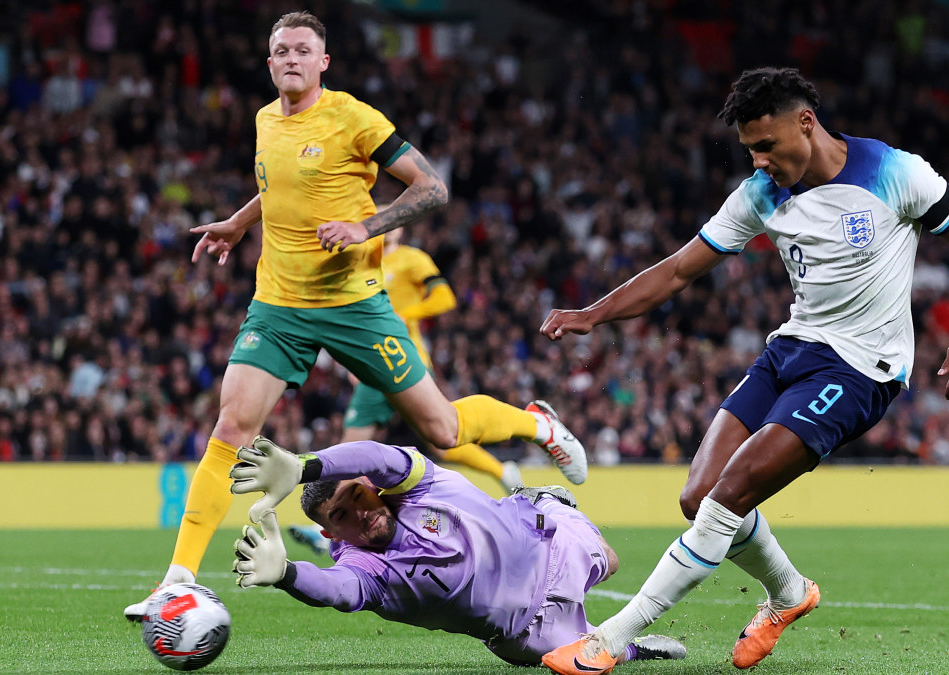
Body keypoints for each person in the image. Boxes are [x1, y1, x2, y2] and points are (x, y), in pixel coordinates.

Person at [124, 10, 586, 620]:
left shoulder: (353, 117)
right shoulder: (266, 120)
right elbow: (281, 187)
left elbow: (431, 187)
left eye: (302, 50)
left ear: (323, 62)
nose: (291, 58)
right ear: (269, 64)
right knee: (231, 430)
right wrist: (239, 223)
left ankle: (535, 426)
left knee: (442, 431)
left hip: (354, 306)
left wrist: (364, 224)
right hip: (280, 305)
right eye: (281, 50)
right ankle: (177, 581)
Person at [539, 66, 949, 673]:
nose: (758, 161)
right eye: (749, 149)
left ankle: (609, 639)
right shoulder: (759, 193)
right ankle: (789, 593)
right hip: (790, 349)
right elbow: (679, 270)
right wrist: (595, 314)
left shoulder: (895, 172)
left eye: (766, 145)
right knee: (699, 496)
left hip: (862, 368)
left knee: (728, 497)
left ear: (805, 123)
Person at [228, 435, 686, 667]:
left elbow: (375, 455)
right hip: (524, 633)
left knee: (611, 561)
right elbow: (337, 591)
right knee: (585, 659)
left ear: (370, 484)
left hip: (548, 547)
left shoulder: (415, 480)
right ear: (330, 535)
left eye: (358, 495)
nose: (360, 512)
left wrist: (306, 466)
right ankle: (639, 650)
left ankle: (539, 500)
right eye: (342, 515)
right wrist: (287, 574)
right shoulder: (363, 567)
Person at [289, 227, 524, 556]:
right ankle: (325, 526)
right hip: (371, 366)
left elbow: (445, 298)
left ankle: (505, 468)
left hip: (403, 361)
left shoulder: (412, 259)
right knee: (356, 446)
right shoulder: (357, 263)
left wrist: (406, 315)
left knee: (439, 437)